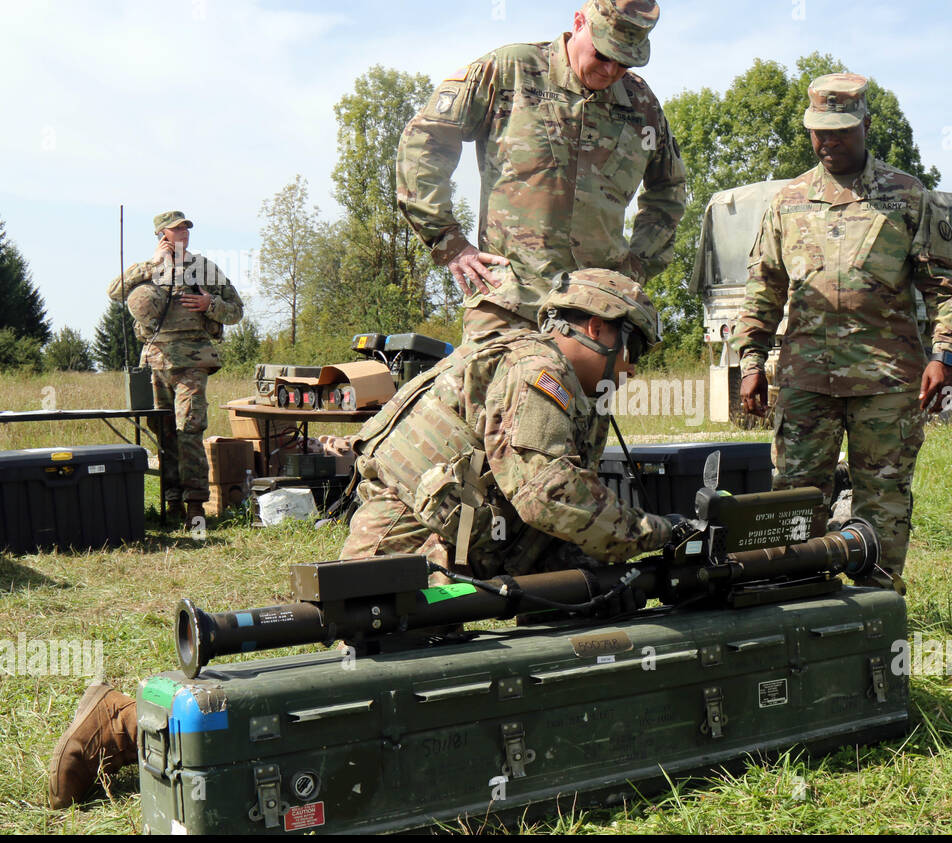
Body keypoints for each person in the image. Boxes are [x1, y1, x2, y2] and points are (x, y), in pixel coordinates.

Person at [49, 269, 676, 809]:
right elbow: (550, 493)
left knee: (405, 671)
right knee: (361, 684)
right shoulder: (543, 369)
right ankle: (123, 727)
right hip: (412, 535)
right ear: (597, 328)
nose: (629, 367)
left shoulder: (541, 367)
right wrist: (652, 534)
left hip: (442, 529)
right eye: (631, 348)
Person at [730, 73, 952, 587]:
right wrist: (750, 363)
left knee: (882, 499)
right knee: (793, 499)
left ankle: (875, 610)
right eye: (819, 131)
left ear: (865, 124)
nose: (828, 142)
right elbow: (764, 290)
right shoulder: (787, 201)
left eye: (840, 131)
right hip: (805, 382)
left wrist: (943, 355)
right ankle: (797, 606)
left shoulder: (908, 198)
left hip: (886, 383)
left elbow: (943, 290)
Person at [396, 0, 686, 343]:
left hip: (594, 316)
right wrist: (448, 240)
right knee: (499, 402)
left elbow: (670, 188)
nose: (611, 70)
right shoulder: (510, 71)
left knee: (586, 404)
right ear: (579, 23)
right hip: (508, 305)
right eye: (603, 54)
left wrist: (639, 263)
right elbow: (427, 138)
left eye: (625, 63)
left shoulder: (642, 106)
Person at [107, 210, 244, 522]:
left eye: (186, 228)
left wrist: (210, 305)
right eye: (176, 229)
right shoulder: (147, 269)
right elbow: (114, 291)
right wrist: (152, 264)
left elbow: (236, 312)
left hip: (193, 361)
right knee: (164, 434)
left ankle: (196, 507)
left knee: (190, 430)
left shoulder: (205, 269)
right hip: (155, 362)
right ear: (161, 236)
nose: (183, 233)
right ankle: (172, 506)